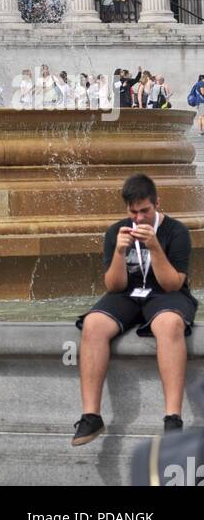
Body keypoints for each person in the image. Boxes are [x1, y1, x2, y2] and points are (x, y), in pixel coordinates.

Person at [72, 174, 198, 445]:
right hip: (128, 294)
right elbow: (114, 285)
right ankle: (91, 416)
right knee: (93, 324)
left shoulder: (176, 232)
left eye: (145, 211)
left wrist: (154, 247)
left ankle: (173, 418)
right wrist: (119, 253)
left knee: (168, 324)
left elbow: (173, 283)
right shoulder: (116, 231)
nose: (139, 218)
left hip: (166, 293)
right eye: (133, 212)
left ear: (156, 204)